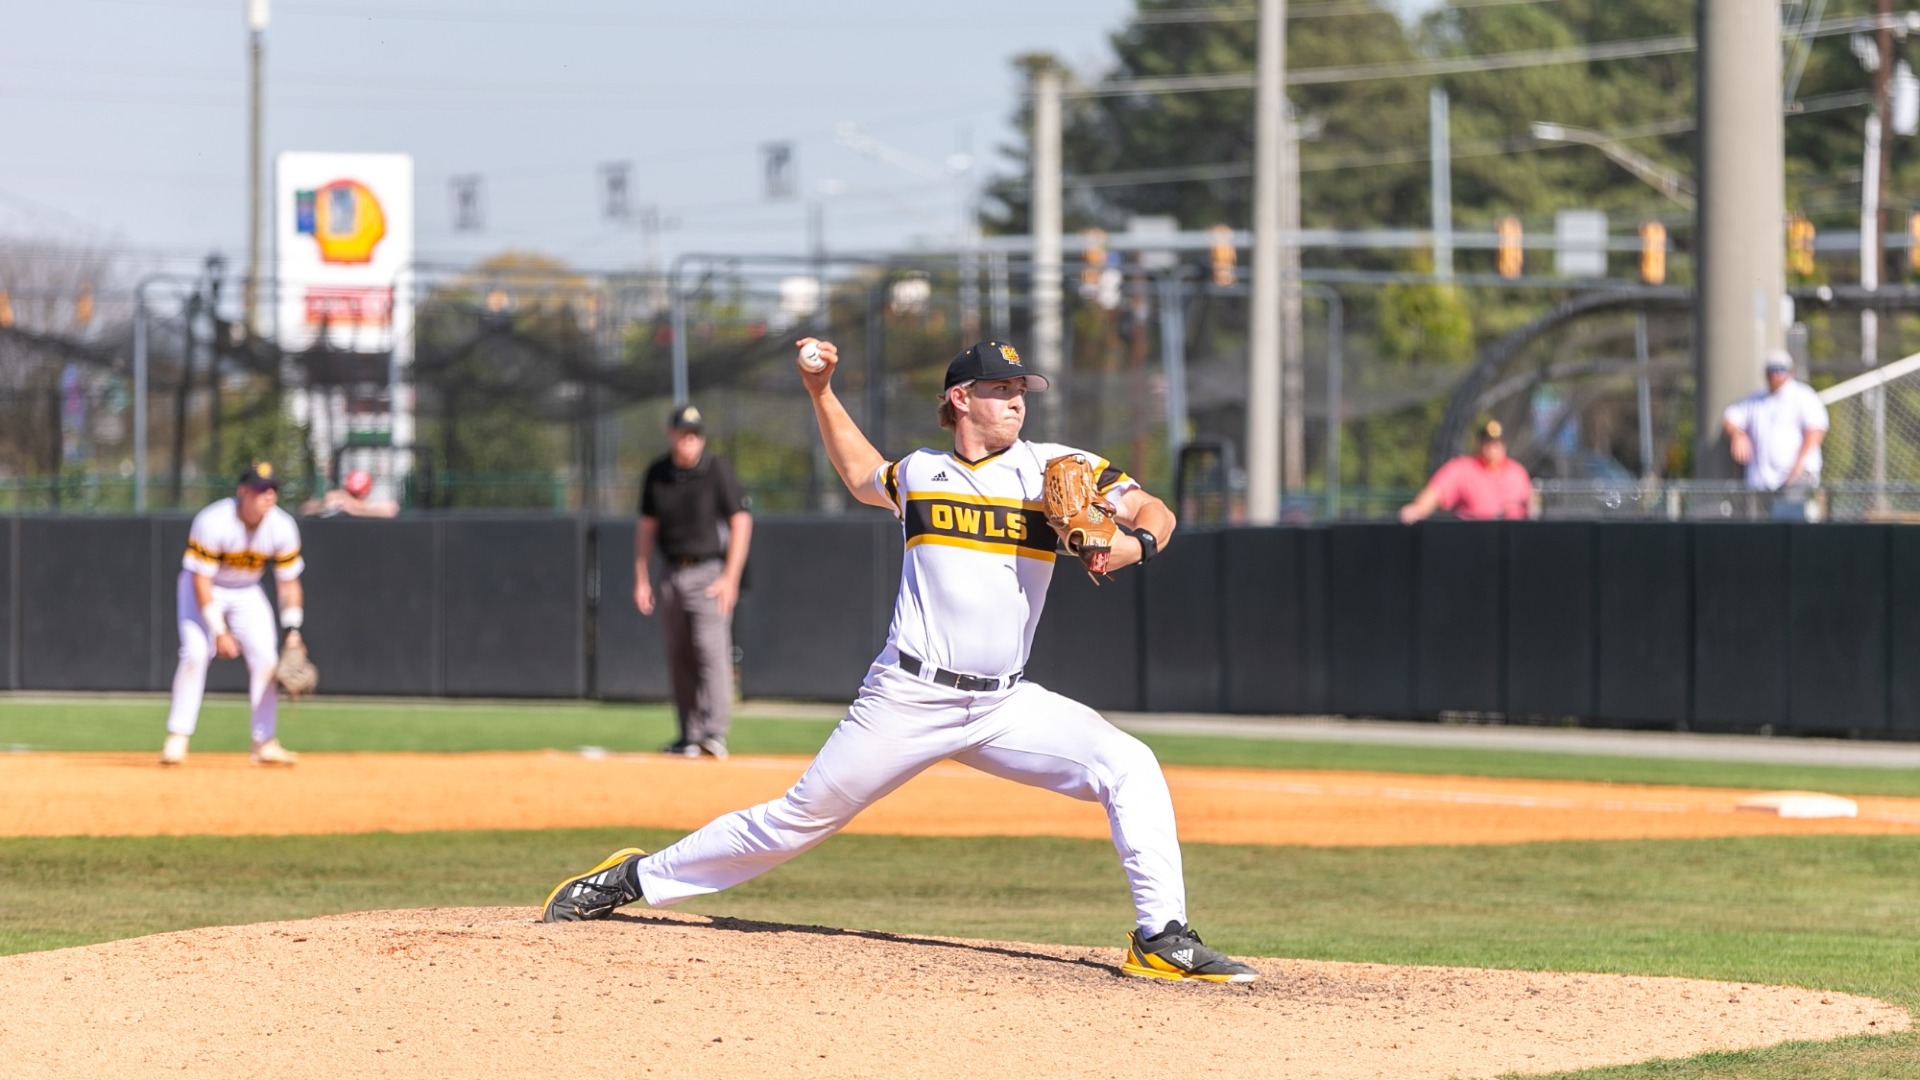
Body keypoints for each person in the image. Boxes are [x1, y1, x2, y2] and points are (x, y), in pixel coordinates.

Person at [541, 338, 1259, 985]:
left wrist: (1134, 545)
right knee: (794, 821)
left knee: (1129, 764)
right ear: (960, 399)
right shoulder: (920, 474)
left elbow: (1153, 509)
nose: (1016, 401)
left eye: (1022, 391)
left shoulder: (1056, 469)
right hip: (908, 695)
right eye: (1002, 389)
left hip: (1003, 704)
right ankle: (633, 878)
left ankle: (1160, 936)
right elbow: (860, 473)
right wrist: (820, 392)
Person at [160, 461, 305, 766]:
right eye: (260, 489)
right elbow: (201, 581)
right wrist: (220, 631)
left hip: (246, 590)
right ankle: (178, 736)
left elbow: (289, 584)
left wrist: (293, 632)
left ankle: (263, 742)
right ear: (242, 492)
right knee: (195, 653)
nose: (268, 496)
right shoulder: (214, 520)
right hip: (203, 587)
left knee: (267, 660)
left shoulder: (282, 526)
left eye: (272, 490)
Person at [635, 403, 752, 759]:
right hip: (671, 572)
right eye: (683, 433)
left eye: (694, 434)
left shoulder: (716, 469)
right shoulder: (658, 472)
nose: (688, 440)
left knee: (711, 653)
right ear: (672, 434)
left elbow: (741, 522)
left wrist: (731, 578)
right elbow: (646, 528)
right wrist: (642, 577)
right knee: (679, 654)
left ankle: (714, 734)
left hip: (708, 573)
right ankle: (689, 734)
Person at [1723, 350, 1829, 520]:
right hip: (1763, 483)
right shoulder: (1755, 399)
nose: (1776, 374)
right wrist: (1738, 435)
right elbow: (1730, 417)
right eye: (1772, 370)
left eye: (1781, 369)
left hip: (1795, 479)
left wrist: (1799, 465)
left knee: (1789, 528)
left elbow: (1816, 430)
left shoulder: (1803, 396)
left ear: (1790, 371)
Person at [1398, 420, 1534, 523]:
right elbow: (1435, 492)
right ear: (1479, 444)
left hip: (1511, 541)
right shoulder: (1462, 469)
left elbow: (1531, 507)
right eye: (1488, 442)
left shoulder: (1517, 472)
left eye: (1496, 442)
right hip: (1473, 539)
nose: (1492, 447)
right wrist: (1418, 509)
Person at [301, 469, 399, 518]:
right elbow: (306, 509)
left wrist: (351, 509)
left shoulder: (374, 506)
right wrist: (323, 507)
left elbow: (391, 510)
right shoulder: (336, 498)